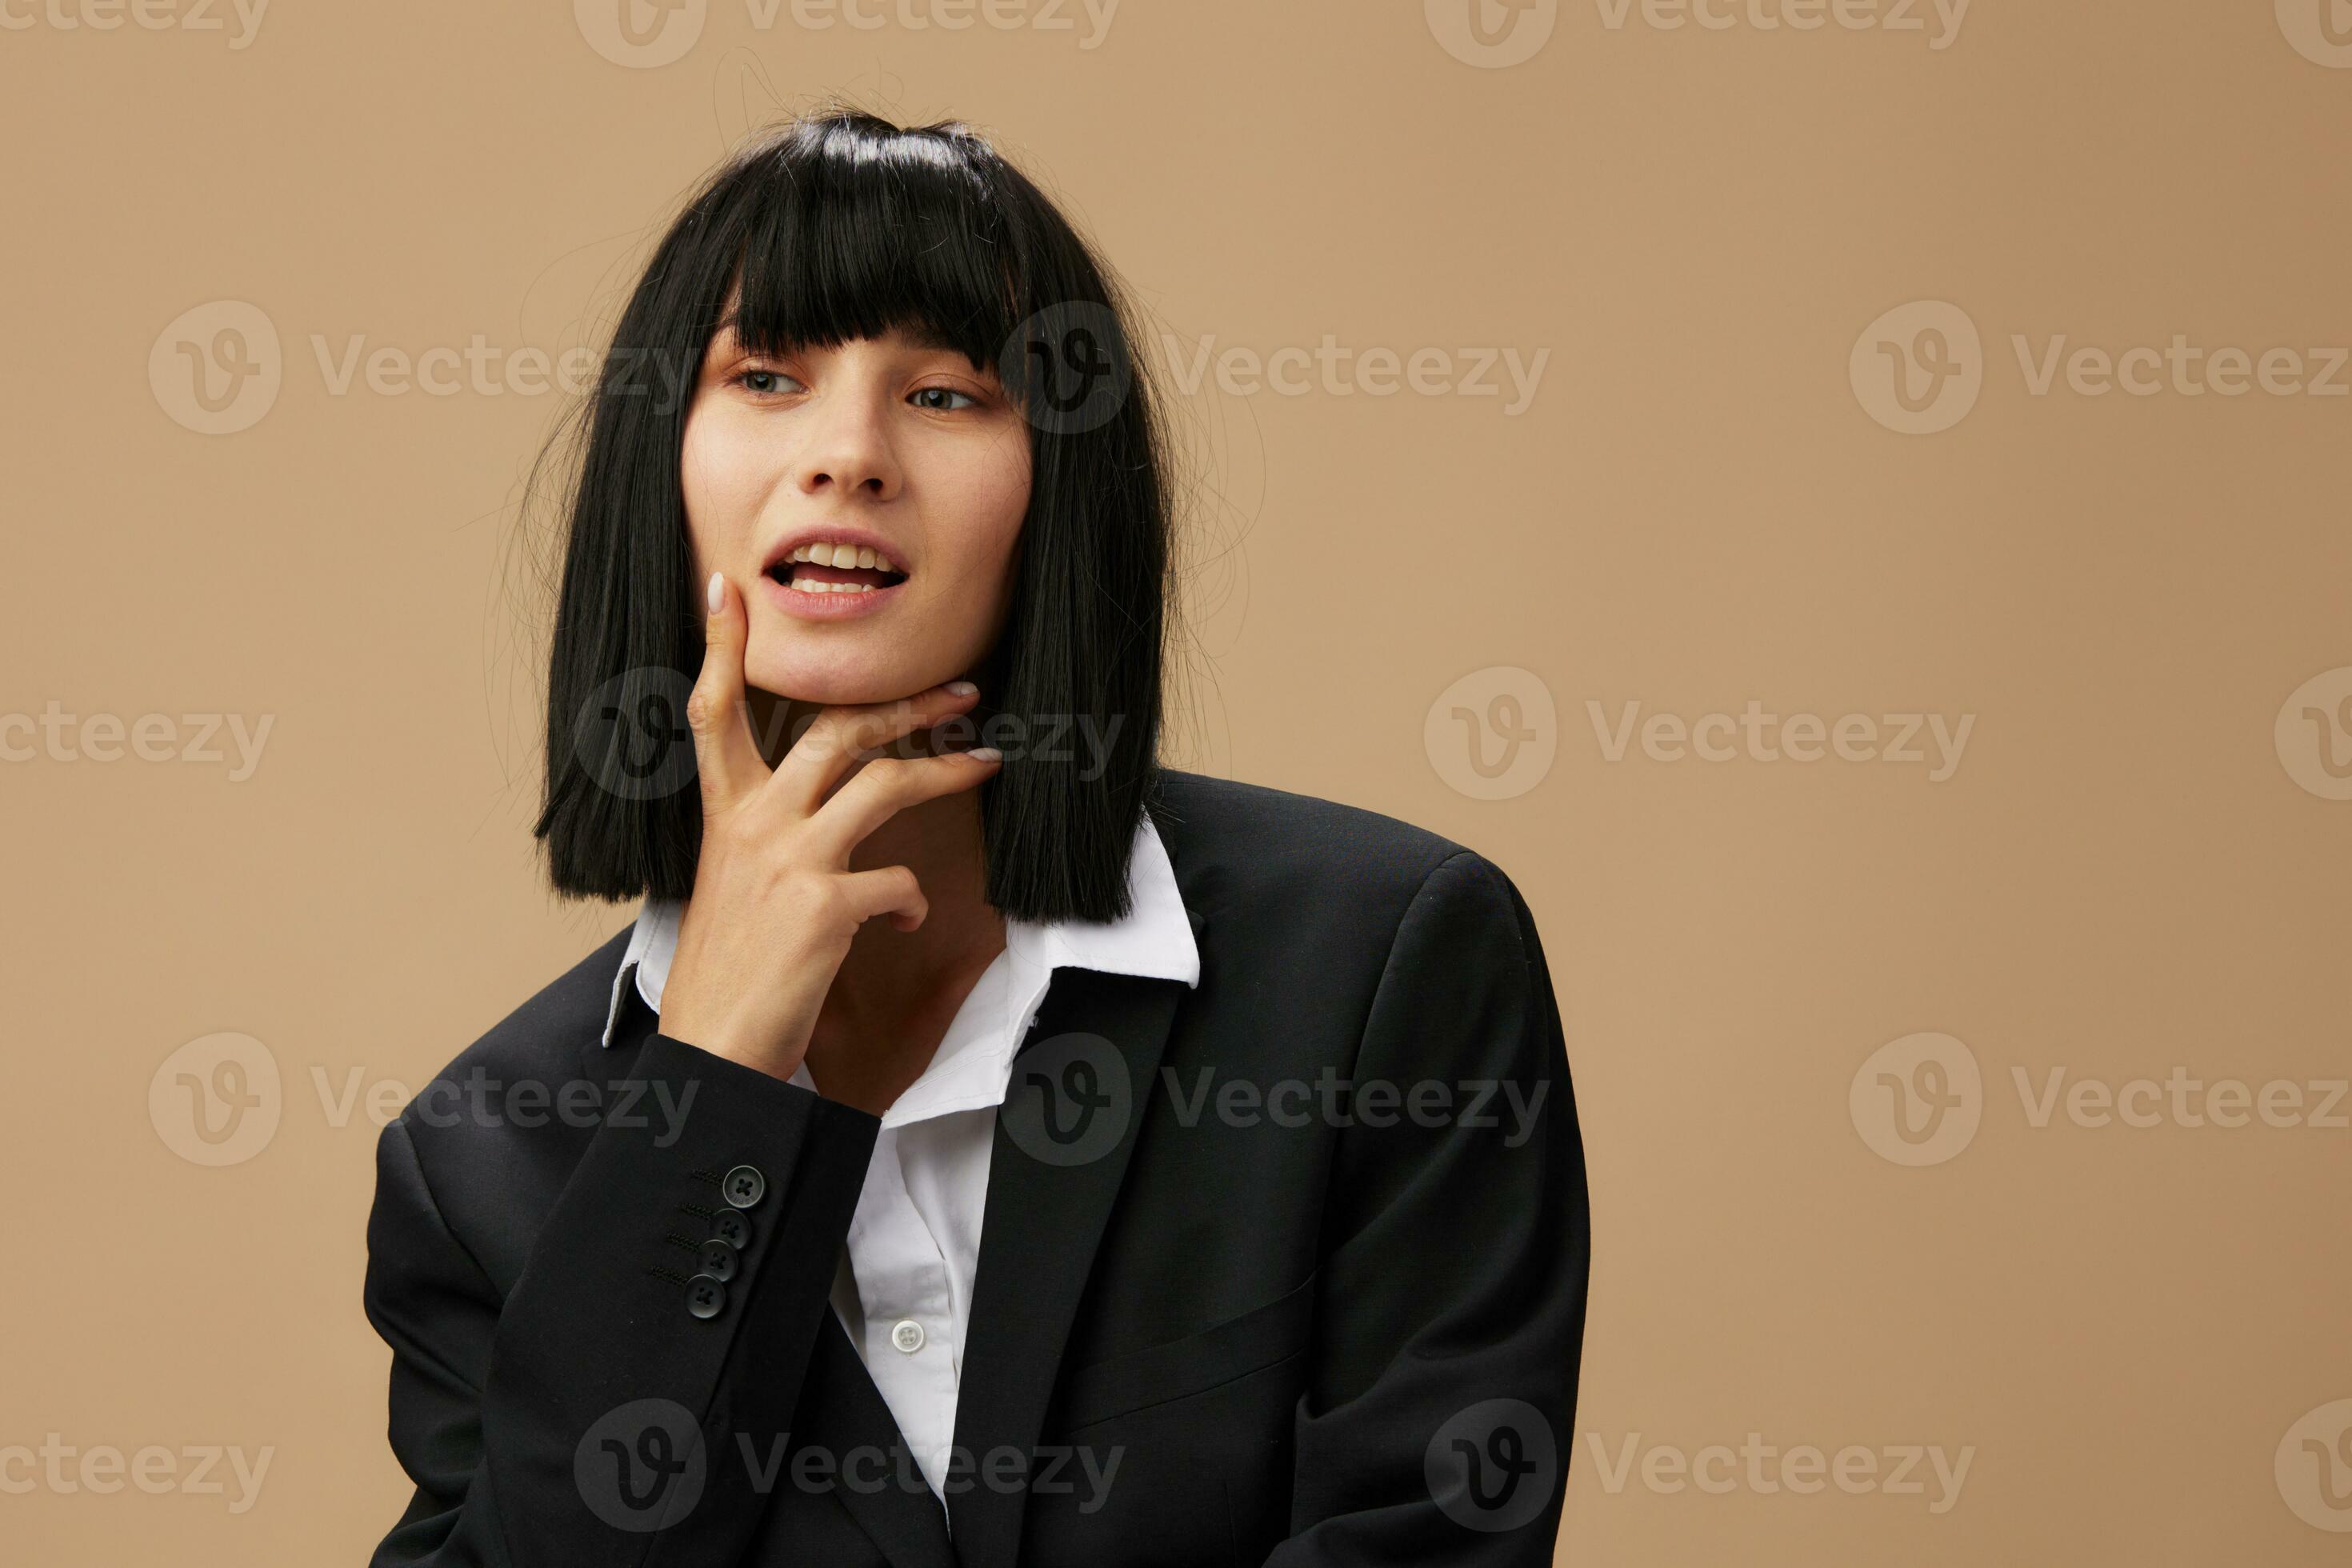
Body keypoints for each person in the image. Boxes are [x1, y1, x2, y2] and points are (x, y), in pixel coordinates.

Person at [362, 108, 1589, 1566]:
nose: (849, 455)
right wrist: (708, 1098)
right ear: (661, 468)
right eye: (765, 376)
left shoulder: (1386, 970)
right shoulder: (482, 1162)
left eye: (947, 395)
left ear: (1062, 487)